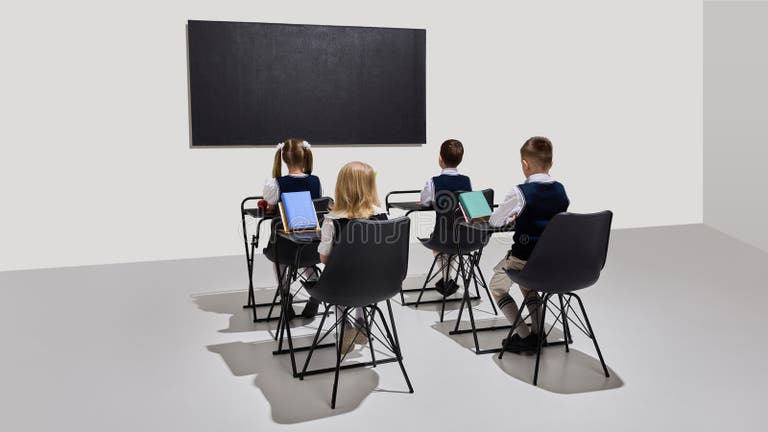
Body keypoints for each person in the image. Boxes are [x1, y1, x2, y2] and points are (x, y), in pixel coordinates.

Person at [487, 136, 570, 353]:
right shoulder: (561, 190)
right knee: (527, 285)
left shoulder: (519, 192)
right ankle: (539, 333)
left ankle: (525, 336)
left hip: (524, 260)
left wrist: (511, 218)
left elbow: (494, 221)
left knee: (497, 287)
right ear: (550, 163)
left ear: (525, 164)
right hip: (553, 263)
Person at [318, 161, 387, 353]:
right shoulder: (383, 217)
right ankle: (362, 321)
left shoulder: (332, 220)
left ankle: (345, 326)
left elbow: (324, 259)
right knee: (364, 274)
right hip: (379, 284)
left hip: (343, 287)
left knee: (338, 277)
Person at [263, 138, 323, 318]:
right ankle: (315, 296)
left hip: (284, 248)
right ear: (305, 157)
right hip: (312, 246)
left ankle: (285, 298)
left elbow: (272, 208)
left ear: (283, 159)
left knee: (279, 258)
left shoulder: (275, 183)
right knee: (307, 260)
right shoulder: (315, 181)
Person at [419, 139, 472, 296]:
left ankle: (446, 279)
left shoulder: (434, 182)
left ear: (440, 158)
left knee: (439, 247)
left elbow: (425, 201)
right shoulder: (466, 181)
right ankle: (447, 280)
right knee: (453, 245)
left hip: (441, 236)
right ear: (461, 159)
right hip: (465, 236)